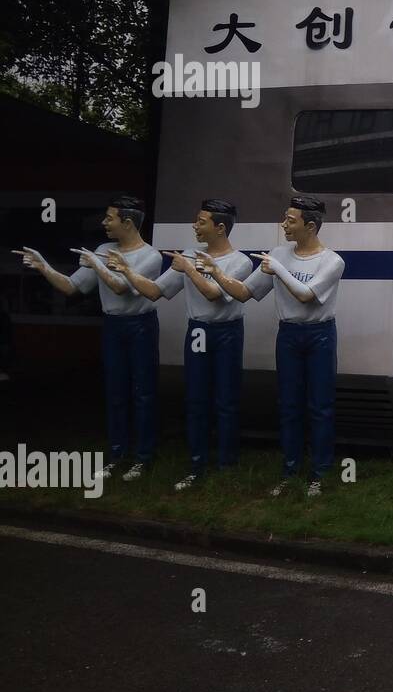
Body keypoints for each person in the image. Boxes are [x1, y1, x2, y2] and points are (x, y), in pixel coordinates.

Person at [13, 195, 162, 480]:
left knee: (143, 393)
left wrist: (97, 264)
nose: (104, 223)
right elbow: (72, 287)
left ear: (127, 222)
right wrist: (44, 266)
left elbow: (121, 287)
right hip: (113, 325)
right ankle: (117, 453)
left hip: (140, 325)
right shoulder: (104, 249)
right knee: (116, 391)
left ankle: (143, 456)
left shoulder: (150, 256)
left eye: (109, 218)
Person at [112, 200, 252, 491]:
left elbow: (214, 294)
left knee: (226, 401)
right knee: (197, 400)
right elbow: (155, 292)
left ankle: (226, 465)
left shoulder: (240, 261)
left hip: (227, 331)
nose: (195, 226)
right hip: (198, 330)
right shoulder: (188, 257)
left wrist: (189, 268)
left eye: (201, 222)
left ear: (220, 227)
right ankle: (196, 465)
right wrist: (127, 271)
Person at [214, 195, 344, 498]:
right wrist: (215, 273)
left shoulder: (332, 261)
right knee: (288, 406)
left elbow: (306, 295)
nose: (283, 225)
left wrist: (278, 269)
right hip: (288, 335)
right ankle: (290, 470)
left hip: (319, 335)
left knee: (320, 407)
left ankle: (320, 473)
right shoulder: (278, 255)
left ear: (310, 226)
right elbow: (246, 292)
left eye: (290, 220)